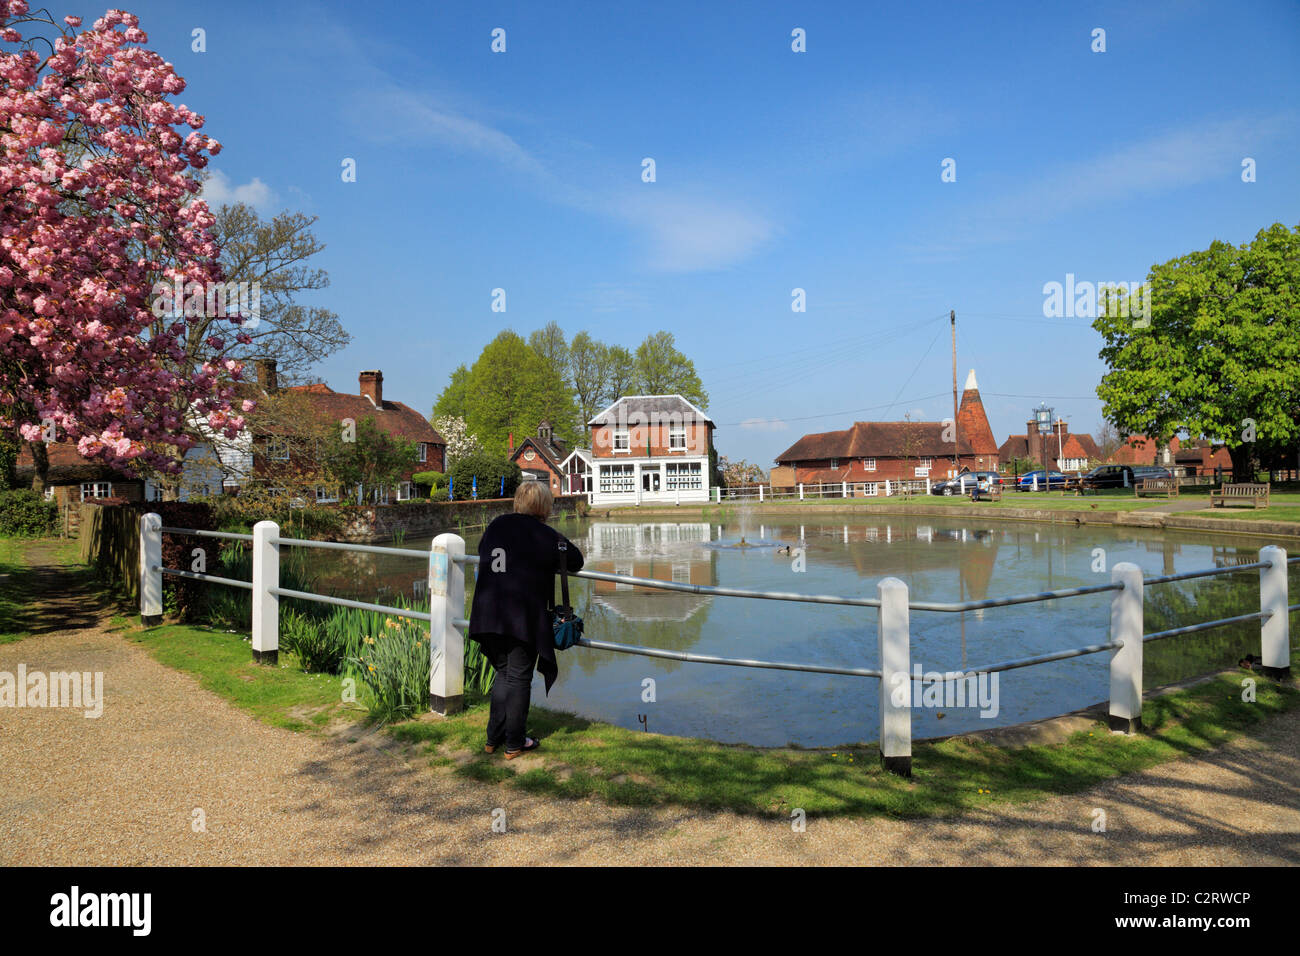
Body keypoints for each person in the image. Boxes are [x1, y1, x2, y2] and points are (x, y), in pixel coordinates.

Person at [468, 479, 583, 758]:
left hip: (487, 613)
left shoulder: (495, 526)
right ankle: (515, 744)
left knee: (504, 674)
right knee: (519, 677)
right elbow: (576, 560)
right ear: (544, 507)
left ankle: (492, 739)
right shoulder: (544, 535)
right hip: (519, 617)